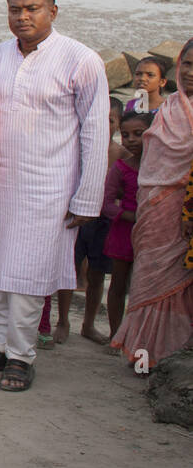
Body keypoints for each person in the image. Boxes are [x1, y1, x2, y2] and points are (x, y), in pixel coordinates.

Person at [0, 0, 110, 392]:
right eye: (14, 9)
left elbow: (96, 131)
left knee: (28, 273)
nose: (22, 16)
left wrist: (88, 196)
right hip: (2, 183)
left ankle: (22, 357)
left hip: (50, 188)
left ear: (54, 12)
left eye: (32, 8)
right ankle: (2, 344)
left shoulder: (81, 60)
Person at [112, 39, 193, 368]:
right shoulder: (168, 109)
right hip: (155, 212)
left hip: (186, 213)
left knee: (181, 284)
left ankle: (174, 352)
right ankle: (144, 351)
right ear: (178, 65)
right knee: (148, 277)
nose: (191, 72)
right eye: (187, 64)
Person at [89, 111, 153, 344]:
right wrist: (132, 215)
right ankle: (116, 335)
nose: (131, 139)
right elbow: (105, 205)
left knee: (143, 285)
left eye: (138, 133)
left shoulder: (161, 168)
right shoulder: (121, 167)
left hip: (153, 233)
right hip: (124, 232)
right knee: (118, 283)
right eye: (125, 135)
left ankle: (139, 337)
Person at [77, 98, 124, 344]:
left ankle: (88, 324)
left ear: (118, 124)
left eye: (110, 120)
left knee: (96, 276)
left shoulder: (122, 154)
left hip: (104, 222)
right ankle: (62, 322)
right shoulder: (78, 147)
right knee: (70, 271)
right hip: (76, 217)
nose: (104, 124)